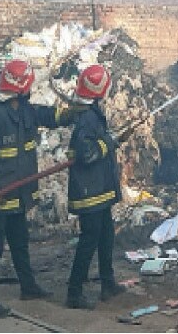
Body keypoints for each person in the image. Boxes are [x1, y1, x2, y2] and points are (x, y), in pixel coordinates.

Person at [0, 60, 79, 318]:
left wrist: (68, 114)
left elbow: (47, 116)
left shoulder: (24, 111)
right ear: (21, 89)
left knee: (20, 244)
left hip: (18, 198)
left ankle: (28, 287)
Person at [65, 64, 127, 309]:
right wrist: (108, 143)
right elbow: (87, 153)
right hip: (89, 192)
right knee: (89, 239)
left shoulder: (90, 112)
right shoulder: (87, 119)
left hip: (99, 189)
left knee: (106, 235)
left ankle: (107, 284)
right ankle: (74, 293)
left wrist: (109, 141)